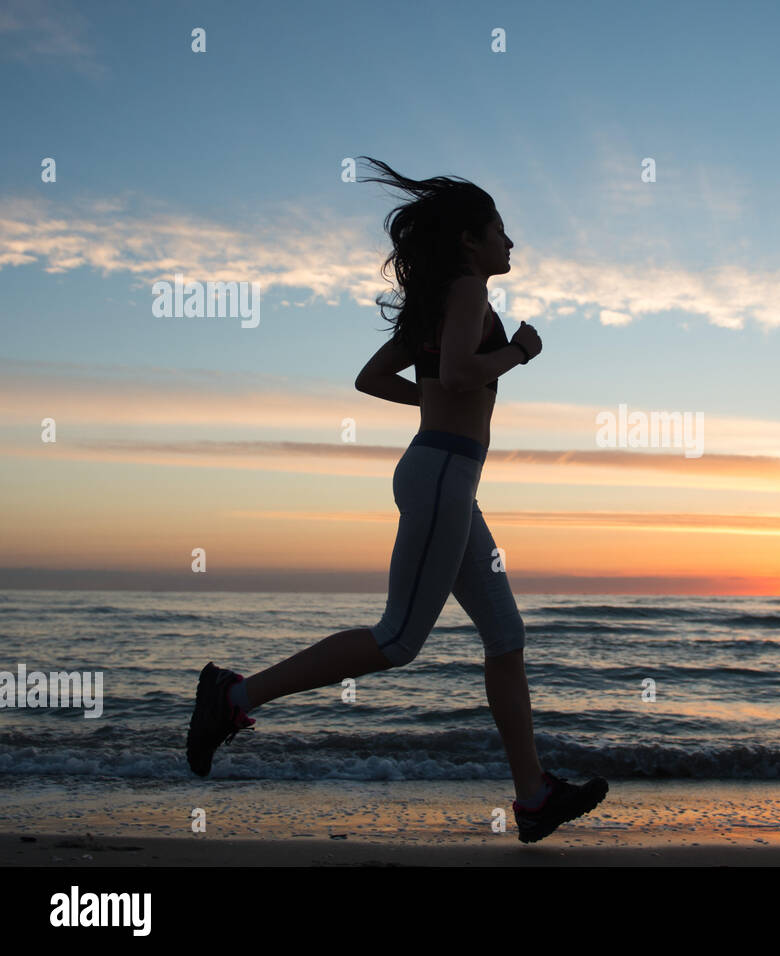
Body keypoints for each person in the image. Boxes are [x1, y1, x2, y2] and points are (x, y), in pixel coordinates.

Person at [185, 156, 608, 844]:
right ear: (472, 240)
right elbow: (467, 371)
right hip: (443, 474)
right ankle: (232, 697)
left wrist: (436, 398)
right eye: (502, 230)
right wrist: (521, 352)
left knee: (506, 637)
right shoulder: (469, 290)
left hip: (444, 475)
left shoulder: (442, 299)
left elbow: (372, 378)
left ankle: (533, 796)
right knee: (397, 639)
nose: (512, 243)